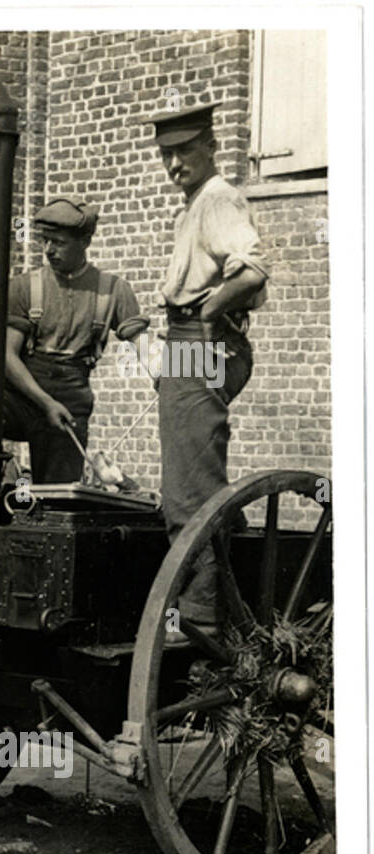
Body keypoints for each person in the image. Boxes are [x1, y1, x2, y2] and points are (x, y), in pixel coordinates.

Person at [150, 103, 268, 634]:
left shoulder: (219, 199)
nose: (175, 164)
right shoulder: (193, 205)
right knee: (188, 475)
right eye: (166, 154)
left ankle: (198, 618)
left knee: (188, 492)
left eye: (183, 151)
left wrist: (206, 317)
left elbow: (253, 271)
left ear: (211, 147)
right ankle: (225, 578)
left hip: (200, 343)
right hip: (185, 342)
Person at [2, 198, 149, 483]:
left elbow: (143, 346)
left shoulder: (113, 291)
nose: (48, 250)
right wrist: (45, 402)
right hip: (21, 395)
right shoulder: (23, 287)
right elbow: (7, 357)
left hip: (71, 403)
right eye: (45, 241)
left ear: (85, 241)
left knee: (58, 496)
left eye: (58, 243)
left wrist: (182, 370)